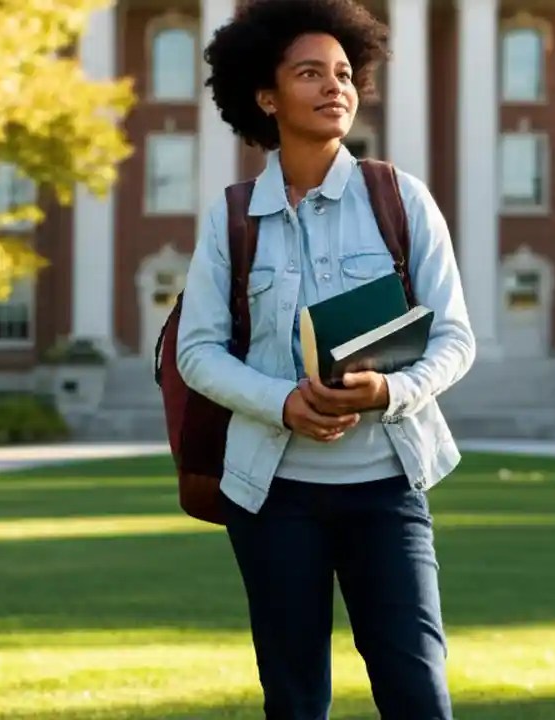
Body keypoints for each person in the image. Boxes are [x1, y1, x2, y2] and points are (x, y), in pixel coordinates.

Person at [175, 0, 475, 716]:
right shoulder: (231, 215)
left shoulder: (402, 199)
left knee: (416, 691)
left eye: (344, 72)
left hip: (386, 488)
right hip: (273, 494)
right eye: (310, 73)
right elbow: (196, 351)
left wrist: (387, 392)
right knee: (296, 697)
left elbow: (455, 339)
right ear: (267, 96)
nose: (334, 86)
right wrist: (281, 401)